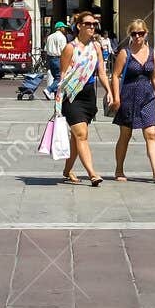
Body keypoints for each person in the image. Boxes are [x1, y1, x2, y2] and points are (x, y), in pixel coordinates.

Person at [56, 13, 113, 186]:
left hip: (88, 95)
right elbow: (63, 74)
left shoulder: (96, 47)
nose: (92, 27)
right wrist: (59, 99)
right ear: (79, 26)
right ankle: (92, 173)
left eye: (94, 24)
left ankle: (67, 170)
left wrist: (109, 91)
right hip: (72, 96)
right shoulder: (70, 48)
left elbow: (101, 72)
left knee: (76, 137)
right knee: (82, 134)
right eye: (88, 24)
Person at [110, 19, 155, 183]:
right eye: (134, 34)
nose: (137, 37)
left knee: (151, 133)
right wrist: (115, 97)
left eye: (140, 33)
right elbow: (115, 76)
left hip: (147, 97)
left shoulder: (152, 53)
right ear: (130, 35)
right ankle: (119, 169)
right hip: (128, 97)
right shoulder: (125, 53)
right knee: (125, 135)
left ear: (146, 33)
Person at [44, 20, 69, 99]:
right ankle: (49, 89)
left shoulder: (50, 37)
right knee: (60, 78)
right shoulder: (62, 37)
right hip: (58, 58)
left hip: (50, 58)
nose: (64, 29)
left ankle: (56, 94)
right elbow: (64, 50)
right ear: (60, 28)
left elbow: (46, 49)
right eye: (63, 28)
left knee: (56, 77)